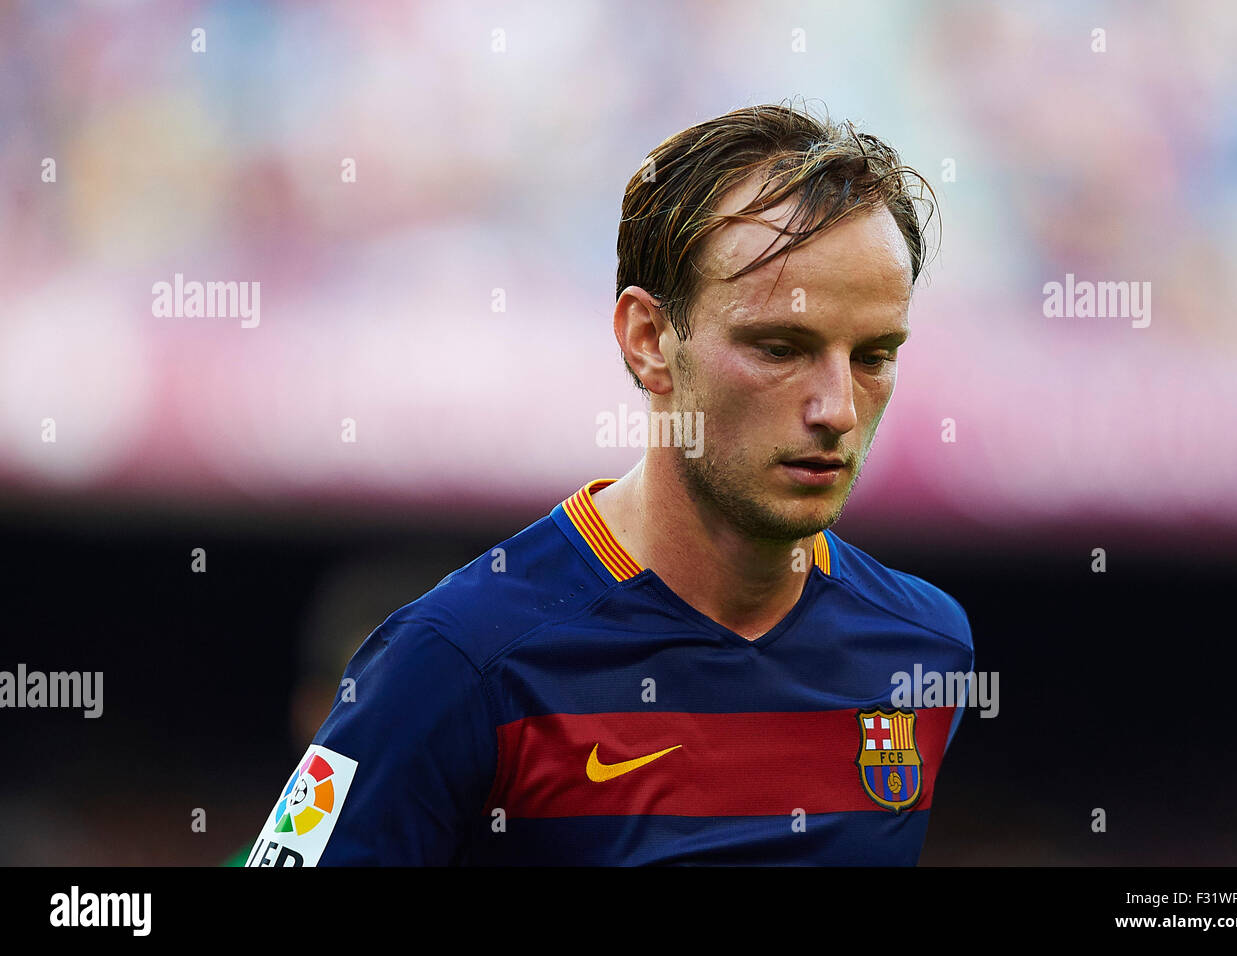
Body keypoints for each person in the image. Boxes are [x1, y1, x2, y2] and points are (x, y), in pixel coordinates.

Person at [245, 101, 974, 866]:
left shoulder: (924, 648)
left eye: (873, 355)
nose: (836, 409)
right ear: (649, 340)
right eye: (780, 348)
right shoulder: (450, 663)